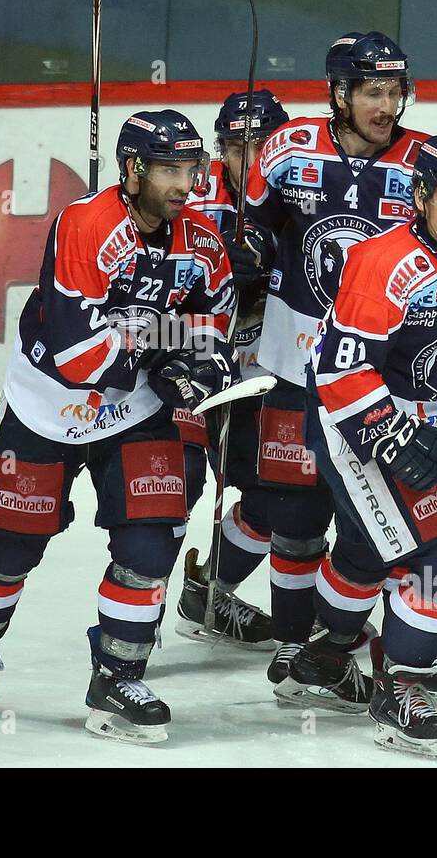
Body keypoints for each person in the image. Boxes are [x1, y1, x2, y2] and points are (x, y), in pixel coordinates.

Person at [0, 110, 235, 744]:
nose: (184, 185)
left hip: (134, 411)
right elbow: (79, 357)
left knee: (150, 544)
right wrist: (170, 360)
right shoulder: (83, 225)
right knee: (13, 547)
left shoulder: (201, 240)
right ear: (132, 170)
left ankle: (117, 676)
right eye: (169, 170)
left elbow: (214, 319)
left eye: (190, 169)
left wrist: (204, 361)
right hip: (48, 406)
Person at [286, 137, 437, 755]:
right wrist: (390, 434)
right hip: (353, 427)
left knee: (363, 551)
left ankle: (324, 660)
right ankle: (400, 687)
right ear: (421, 197)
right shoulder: (384, 261)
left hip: (408, 423)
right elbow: (339, 369)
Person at [237, 32, 430, 693]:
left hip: (380, 380)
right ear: (340, 94)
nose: (387, 105)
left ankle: (342, 642)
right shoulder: (288, 148)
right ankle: (296, 653)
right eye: (373, 92)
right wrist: (249, 251)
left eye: (395, 91)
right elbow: (253, 223)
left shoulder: (425, 162)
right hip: (294, 369)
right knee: (294, 521)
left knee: (377, 525)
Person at [174, 88, 289, 649]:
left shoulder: (306, 196)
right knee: (173, 490)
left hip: (273, 372)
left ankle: (211, 591)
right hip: (193, 370)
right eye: (237, 147)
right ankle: (134, 613)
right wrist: (220, 271)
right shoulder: (193, 195)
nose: (251, 161)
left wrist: (267, 277)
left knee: (278, 497)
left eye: (263, 146)